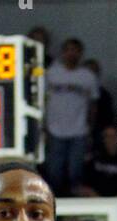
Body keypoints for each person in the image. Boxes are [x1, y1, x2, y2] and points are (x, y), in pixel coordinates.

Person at [43, 38, 98, 196]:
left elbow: (93, 104)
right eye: (68, 50)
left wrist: (90, 127)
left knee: (76, 172)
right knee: (54, 172)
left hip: (79, 130)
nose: (71, 53)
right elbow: (42, 99)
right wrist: (44, 126)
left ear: (80, 53)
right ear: (63, 52)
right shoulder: (51, 73)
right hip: (55, 129)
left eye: (75, 50)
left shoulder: (87, 76)